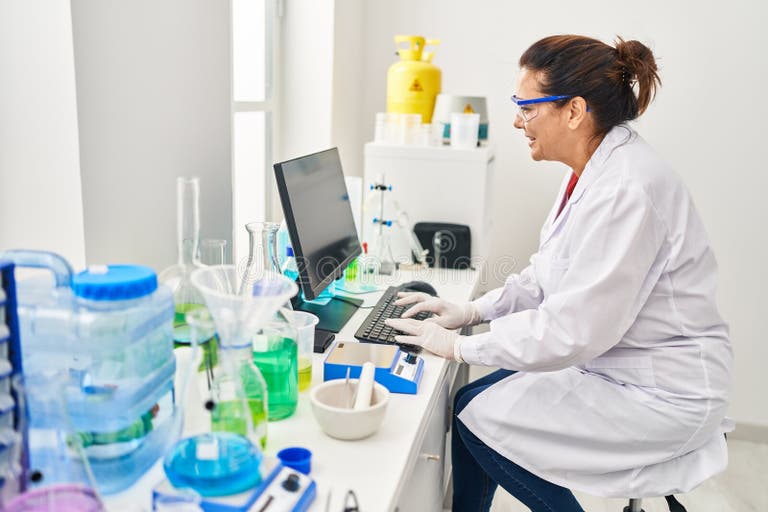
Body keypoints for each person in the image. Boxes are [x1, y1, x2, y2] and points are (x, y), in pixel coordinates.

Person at [386, 35, 732, 512]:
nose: (516, 120)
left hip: (662, 392)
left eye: (527, 107)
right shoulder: (594, 168)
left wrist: (460, 344)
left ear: (573, 111)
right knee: (474, 399)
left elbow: (573, 330)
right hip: (619, 362)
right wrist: (471, 310)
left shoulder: (627, 188)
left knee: (473, 418)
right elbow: (546, 274)